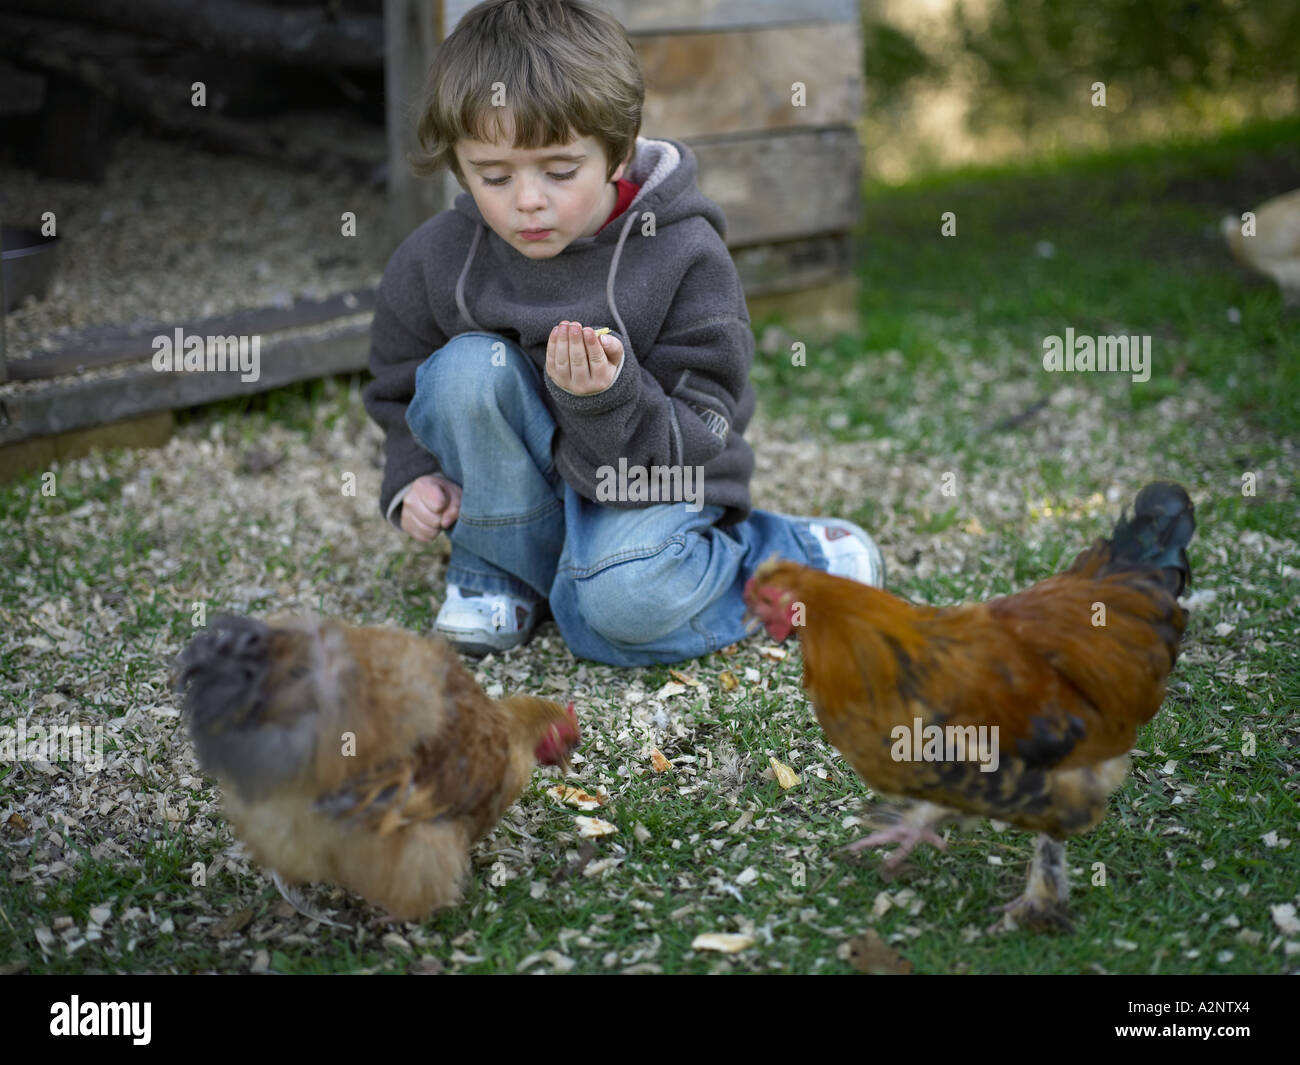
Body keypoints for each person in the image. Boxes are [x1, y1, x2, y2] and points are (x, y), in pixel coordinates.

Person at [363, 0, 883, 666]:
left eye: (558, 171)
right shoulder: (440, 255)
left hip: (657, 480)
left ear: (617, 150)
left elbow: (704, 427)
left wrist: (606, 399)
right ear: (461, 167)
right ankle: (501, 575)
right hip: (531, 496)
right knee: (465, 369)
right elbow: (400, 375)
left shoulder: (683, 255)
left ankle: (787, 557)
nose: (527, 200)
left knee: (615, 611)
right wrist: (413, 475)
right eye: (494, 175)